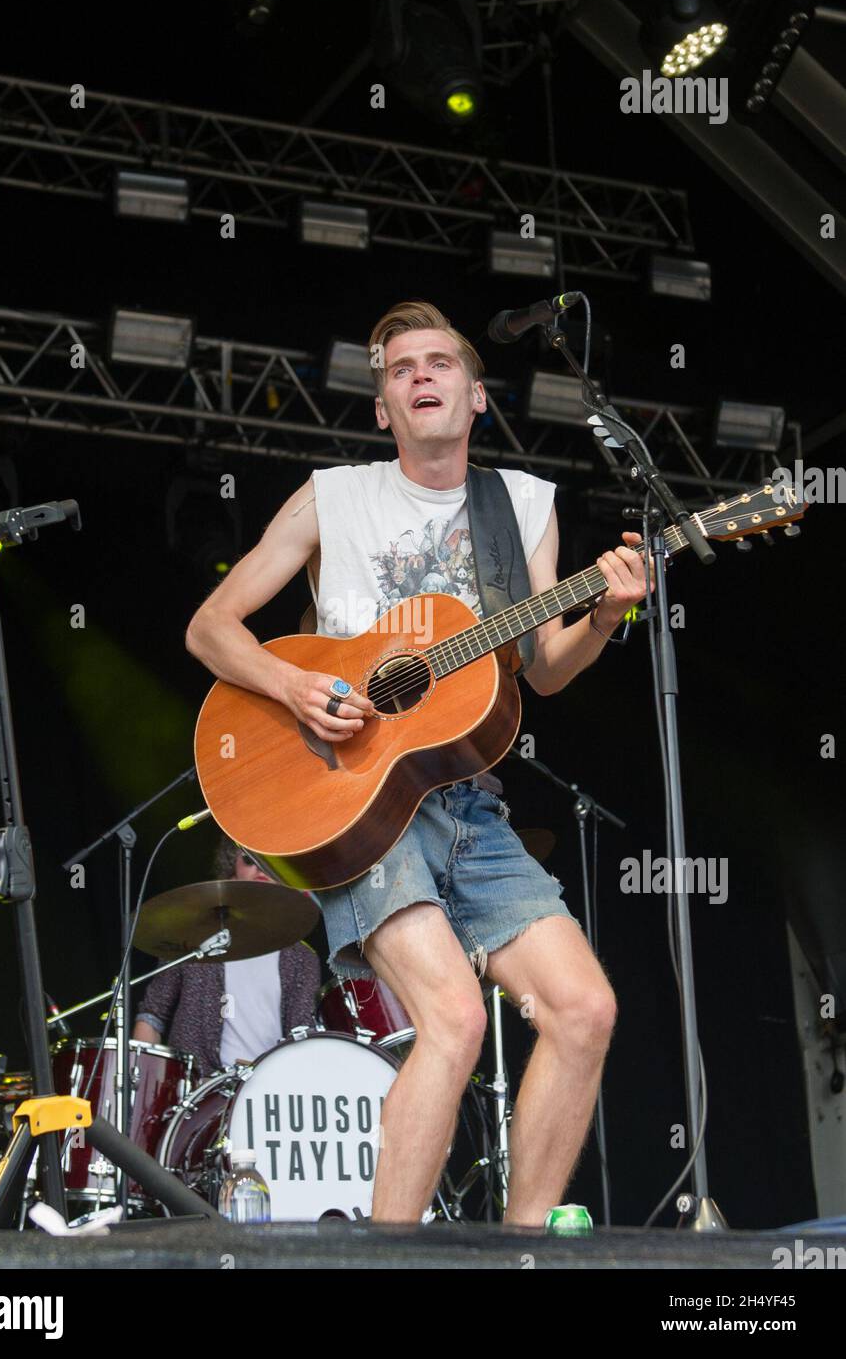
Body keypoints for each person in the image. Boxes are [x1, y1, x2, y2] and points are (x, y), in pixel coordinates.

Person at [184, 300, 653, 1225]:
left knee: (584, 1009)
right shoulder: (334, 495)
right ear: (381, 408)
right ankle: (389, 1259)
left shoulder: (520, 505)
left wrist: (602, 614)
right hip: (353, 800)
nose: (423, 376)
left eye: (441, 363)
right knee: (455, 1020)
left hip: (469, 803)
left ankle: (524, 1248)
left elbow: (543, 673)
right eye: (402, 369)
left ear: (479, 396)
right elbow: (210, 629)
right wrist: (290, 686)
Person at [132, 835, 321, 1079]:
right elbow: (152, 1016)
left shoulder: (302, 958)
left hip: (265, 1093)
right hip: (197, 1093)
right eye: (250, 859)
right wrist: (141, 1091)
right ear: (232, 867)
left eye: (272, 863)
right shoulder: (194, 940)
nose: (260, 868)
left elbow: (303, 1036)